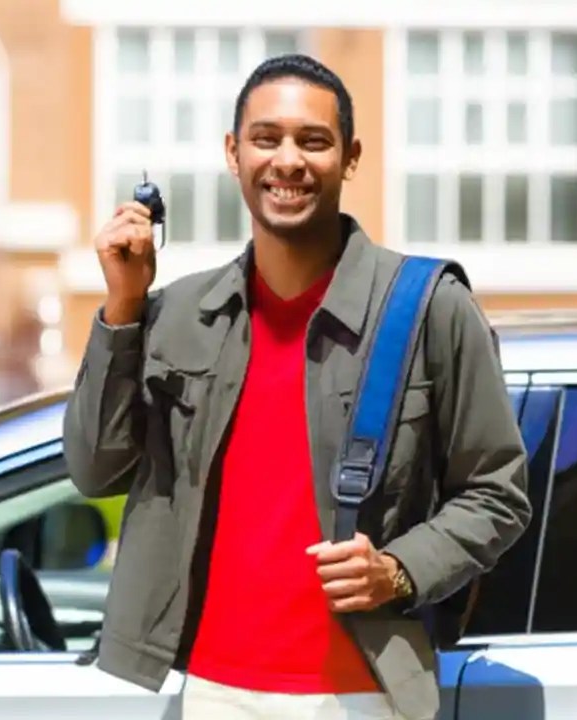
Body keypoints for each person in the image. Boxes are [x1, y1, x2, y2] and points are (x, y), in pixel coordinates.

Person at [63, 54, 531, 720]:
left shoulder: (429, 309)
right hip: (212, 694)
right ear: (233, 153)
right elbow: (94, 467)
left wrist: (397, 570)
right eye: (266, 138)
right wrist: (122, 310)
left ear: (350, 156)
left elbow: (498, 493)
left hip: (364, 698)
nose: (288, 160)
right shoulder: (175, 316)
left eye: (313, 140)